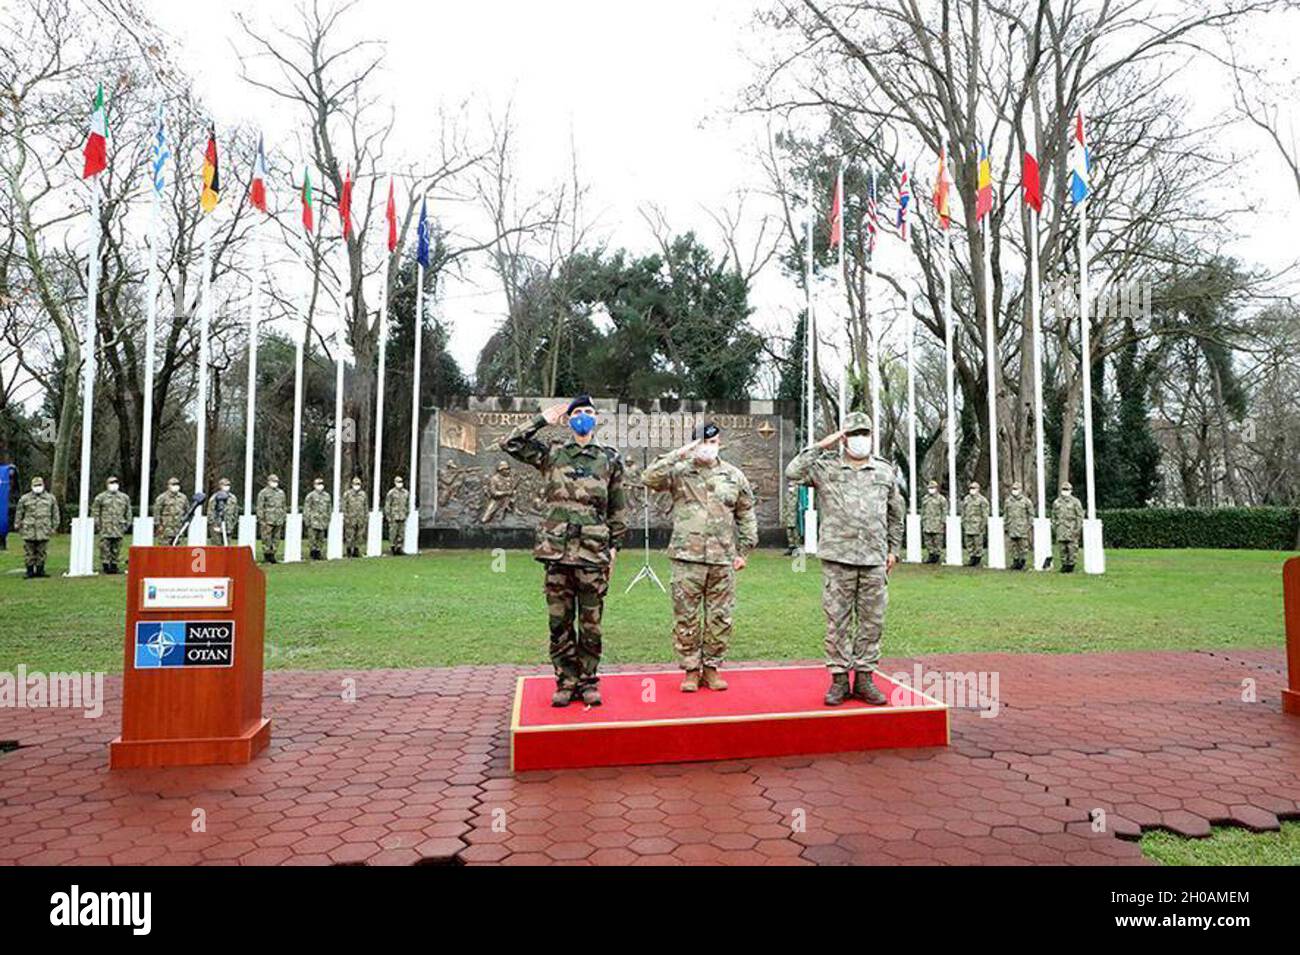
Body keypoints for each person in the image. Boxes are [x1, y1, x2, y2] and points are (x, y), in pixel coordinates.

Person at [501, 394, 626, 708]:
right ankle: (565, 681)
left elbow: (618, 510)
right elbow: (511, 443)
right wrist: (543, 419)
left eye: (588, 412)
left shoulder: (609, 459)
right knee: (559, 622)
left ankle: (588, 682)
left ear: (596, 419)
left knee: (591, 623)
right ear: (569, 419)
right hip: (557, 552)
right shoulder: (553, 454)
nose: (583, 416)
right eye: (577, 412)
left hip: (593, 553)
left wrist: (614, 550)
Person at [786, 412, 903, 706]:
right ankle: (839, 679)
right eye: (853, 434)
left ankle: (864, 678)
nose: (860, 439)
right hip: (838, 558)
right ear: (844, 438)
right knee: (837, 622)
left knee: (872, 622)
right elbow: (792, 471)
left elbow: (895, 513)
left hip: (874, 558)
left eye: (864, 433)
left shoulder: (884, 471)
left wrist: (893, 549)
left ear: (871, 436)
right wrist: (823, 445)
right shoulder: (825, 468)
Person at [642, 421, 757, 693]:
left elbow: (746, 513)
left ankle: (712, 669)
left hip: (722, 559)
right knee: (686, 617)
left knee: (720, 617)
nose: (709, 447)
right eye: (703, 442)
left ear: (720, 444)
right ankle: (691, 670)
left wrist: (745, 551)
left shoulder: (733, 475)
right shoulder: (679, 472)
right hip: (687, 558)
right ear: (693, 445)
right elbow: (648, 477)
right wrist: (680, 454)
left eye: (714, 442)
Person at [15, 475, 59, 579]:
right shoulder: (24, 498)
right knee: (29, 551)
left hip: (44, 529)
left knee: (42, 551)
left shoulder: (50, 498)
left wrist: (54, 526)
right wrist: (17, 525)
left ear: (43, 485)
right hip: (29, 529)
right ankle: (29, 571)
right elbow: (19, 512)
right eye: (35, 485)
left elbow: (55, 513)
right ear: (31, 486)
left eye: (39, 485)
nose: (37, 487)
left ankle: (40, 570)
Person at [91, 476, 131, 574]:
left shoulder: (124, 497)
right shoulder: (101, 497)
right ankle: (106, 566)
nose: (114, 485)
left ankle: (114, 565)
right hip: (106, 526)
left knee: (116, 547)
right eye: (111, 483)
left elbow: (128, 511)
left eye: (116, 482)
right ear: (107, 484)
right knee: (105, 547)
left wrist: (127, 524)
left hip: (119, 526)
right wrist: (97, 524)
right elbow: (95, 511)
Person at [1052, 481, 1085, 573]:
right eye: (1063, 489)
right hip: (1060, 528)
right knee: (1062, 548)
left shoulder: (1075, 502)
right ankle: (1064, 564)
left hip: (1071, 528)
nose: (1065, 491)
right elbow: (1053, 515)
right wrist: (1055, 526)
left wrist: (1077, 528)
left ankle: (1071, 565)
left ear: (1071, 490)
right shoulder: (1056, 502)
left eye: (1067, 489)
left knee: (1072, 548)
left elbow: (1079, 515)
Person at [256, 474, 287, 564]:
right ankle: (267, 555)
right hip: (267, 520)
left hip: (278, 519)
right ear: (269, 482)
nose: (275, 483)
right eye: (273, 481)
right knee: (266, 538)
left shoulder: (281, 493)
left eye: (276, 481)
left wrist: (283, 516)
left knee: (276, 538)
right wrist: (261, 519)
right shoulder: (263, 493)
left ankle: (273, 554)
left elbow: (283, 506)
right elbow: (260, 507)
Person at [960, 481, 990, 567]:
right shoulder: (967, 499)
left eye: (974, 488)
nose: (972, 490)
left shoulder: (982, 500)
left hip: (977, 525)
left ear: (978, 489)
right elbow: (963, 511)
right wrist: (963, 522)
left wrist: (982, 525)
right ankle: (971, 557)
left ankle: (977, 559)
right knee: (969, 542)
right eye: (971, 488)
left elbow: (985, 514)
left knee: (978, 543)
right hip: (968, 524)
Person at [1004, 481, 1032, 570]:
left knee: (1023, 546)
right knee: (1013, 546)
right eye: (1013, 489)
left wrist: (1028, 526)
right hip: (1012, 527)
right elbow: (1006, 514)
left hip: (1022, 527)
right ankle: (1015, 562)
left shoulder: (1026, 501)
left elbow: (1030, 514)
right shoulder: (1008, 501)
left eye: (1016, 489)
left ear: (1020, 490)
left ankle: (1022, 562)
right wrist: (1005, 525)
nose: (1014, 490)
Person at [152, 477, 188, 545]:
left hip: (179, 528)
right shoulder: (162, 498)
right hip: (165, 529)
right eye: (173, 484)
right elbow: (157, 512)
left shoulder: (183, 498)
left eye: (177, 484)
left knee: (178, 551)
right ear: (168, 486)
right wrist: (158, 525)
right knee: (165, 550)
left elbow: (187, 511)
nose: (175, 486)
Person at [303, 477, 332, 560]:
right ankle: (313, 553)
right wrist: (307, 520)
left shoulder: (327, 496)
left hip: (323, 521)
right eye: (318, 484)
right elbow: (307, 508)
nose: (320, 486)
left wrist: (328, 518)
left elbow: (329, 508)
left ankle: (319, 552)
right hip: (313, 520)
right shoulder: (310, 496)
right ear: (314, 485)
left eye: (321, 484)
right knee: (312, 538)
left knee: (321, 539)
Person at [919, 479, 946, 564]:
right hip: (927, 523)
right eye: (930, 488)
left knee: (937, 541)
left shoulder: (941, 499)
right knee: (928, 541)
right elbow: (923, 510)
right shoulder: (925, 498)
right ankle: (931, 555)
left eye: (933, 488)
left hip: (937, 523)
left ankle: (937, 556)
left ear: (936, 488)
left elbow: (944, 511)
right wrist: (922, 520)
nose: (931, 489)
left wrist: (943, 522)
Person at [206, 477, 238, 545]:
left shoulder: (233, 498)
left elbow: (235, 512)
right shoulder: (215, 497)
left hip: (229, 526)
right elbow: (210, 512)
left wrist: (232, 524)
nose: (227, 487)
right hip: (217, 527)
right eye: (225, 485)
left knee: (228, 547)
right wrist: (213, 525)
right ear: (220, 486)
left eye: (228, 485)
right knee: (217, 547)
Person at [384, 476, 410, 556]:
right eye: (398, 482)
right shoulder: (391, 493)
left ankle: (399, 548)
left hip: (402, 515)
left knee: (401, 533)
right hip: (394, 516)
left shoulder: (406, 492)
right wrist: (388, 515)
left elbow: (407, 504)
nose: (400, 483)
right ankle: (392, 548)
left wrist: (406, 513)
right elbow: (388, 505)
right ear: (395, 483)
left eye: (401, 481)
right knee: (393, 533)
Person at [342, 476, 367, 557]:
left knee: (359, 536)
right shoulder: (347, 494)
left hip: (360, 518)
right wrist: (346, 517)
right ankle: (349, 551)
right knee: (349, 535)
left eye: (358, 484)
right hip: (350, 519)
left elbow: (365, 507)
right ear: (352, 484)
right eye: (355, 484)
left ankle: (356, 550)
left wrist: (365, 517)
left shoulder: (363, 494)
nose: (357, 485)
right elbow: (344, 507)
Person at [783, 480, 801, 556]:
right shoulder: (787, 495)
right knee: (789, 533)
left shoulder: (798, 495)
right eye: (789, 486)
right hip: (789, 516)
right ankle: (791, 547)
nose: (790, 488)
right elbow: (785, 506)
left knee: (796, 533)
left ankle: (797, 547)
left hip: (795, 517)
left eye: (792, 486)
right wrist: (784, 517)